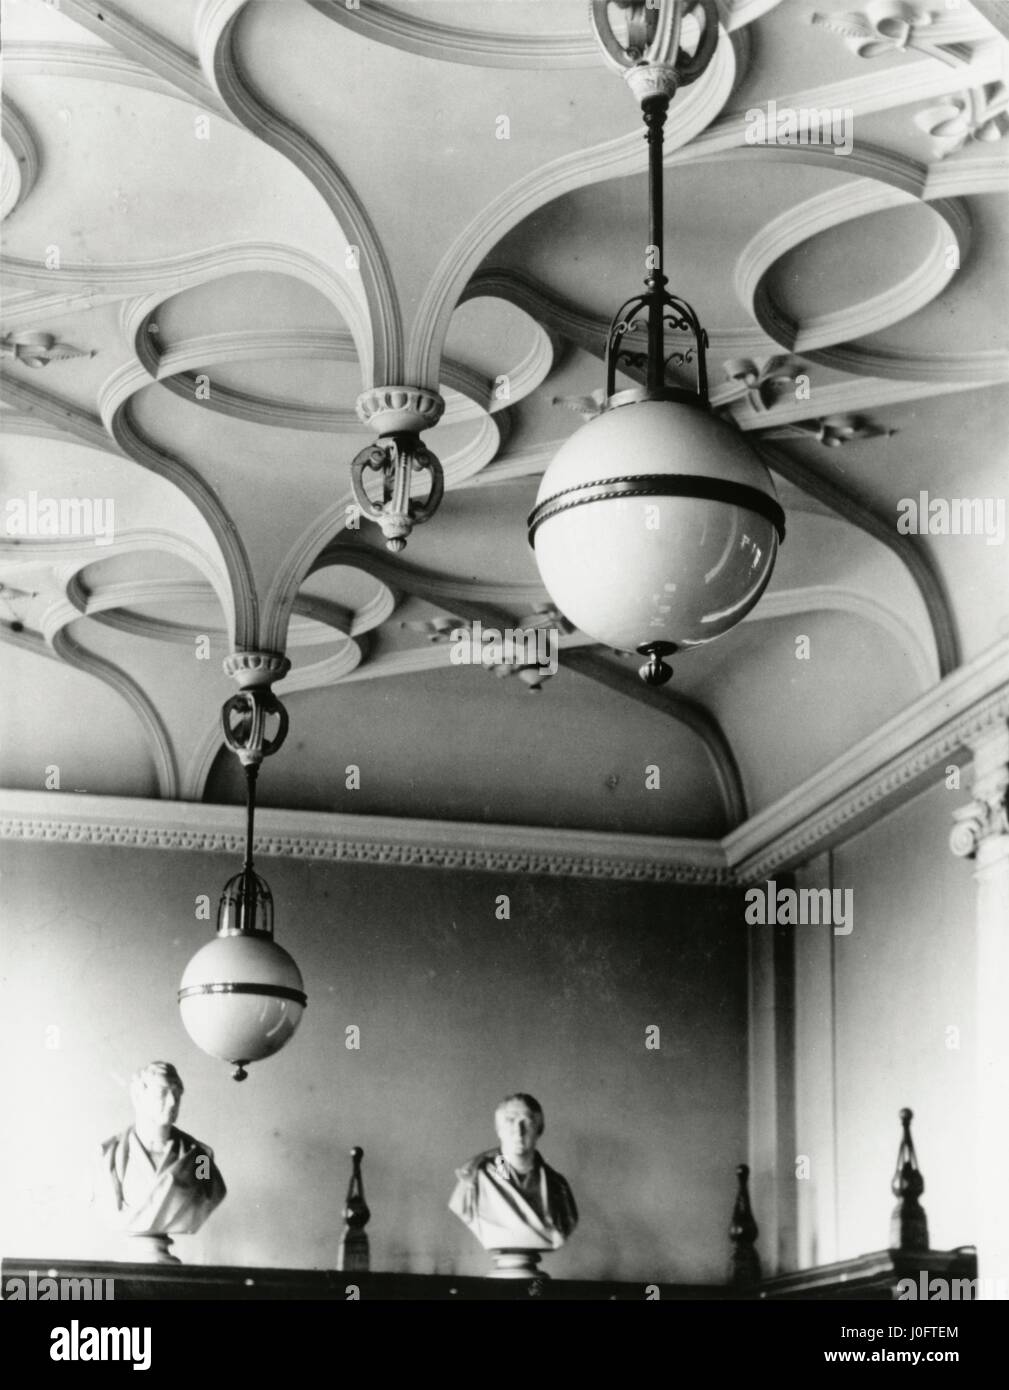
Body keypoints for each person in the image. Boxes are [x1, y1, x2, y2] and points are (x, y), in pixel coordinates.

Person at [93, 1061, 226, 1263]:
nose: (173, 1102)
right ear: (137, 1097)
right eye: (162, 1093)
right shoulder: (107, 1156)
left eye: (177, 1093)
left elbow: (208, 1193)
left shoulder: (200, 1157)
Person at [449, 1093, 578, 1254]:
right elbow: (502, 1180)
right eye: (510, 1120)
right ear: (498, 1129)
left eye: (527, 1121)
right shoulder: (475, 1180)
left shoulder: (557, 1185)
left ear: (539, 1129)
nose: (519, 1131)